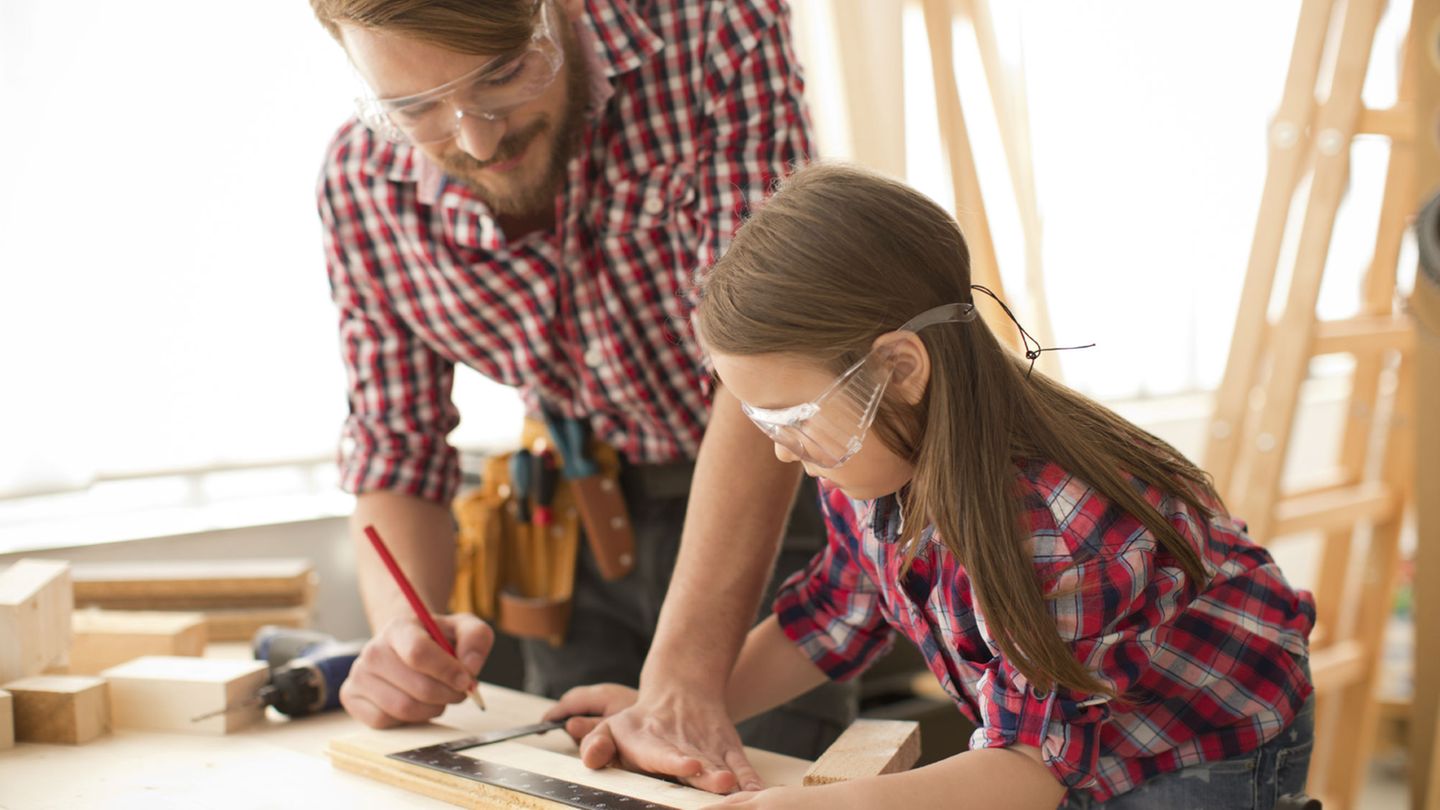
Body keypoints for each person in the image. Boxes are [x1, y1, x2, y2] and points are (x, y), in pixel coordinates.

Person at [547, 162, 1317, 809]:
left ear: (900, 369)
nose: (782, 451)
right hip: (1061, 738)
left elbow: (1028, 771)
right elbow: (833, 617)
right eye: (760, 421)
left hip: (1199, 748)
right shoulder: (860, 461)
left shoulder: (1059, 526)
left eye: (794, 417)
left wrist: (816, 805)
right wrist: (680, 712)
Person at [308, 0, 854, 772]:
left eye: (501, 76)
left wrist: (685, 677)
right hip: (568, 518)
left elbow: (769, 359)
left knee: (763, 774)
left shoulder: (713, 37)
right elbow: (394, 442)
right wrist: (404, 631)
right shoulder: (361, 184)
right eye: (416, 108)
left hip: (764, 476)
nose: (477, 136)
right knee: (575, 777)